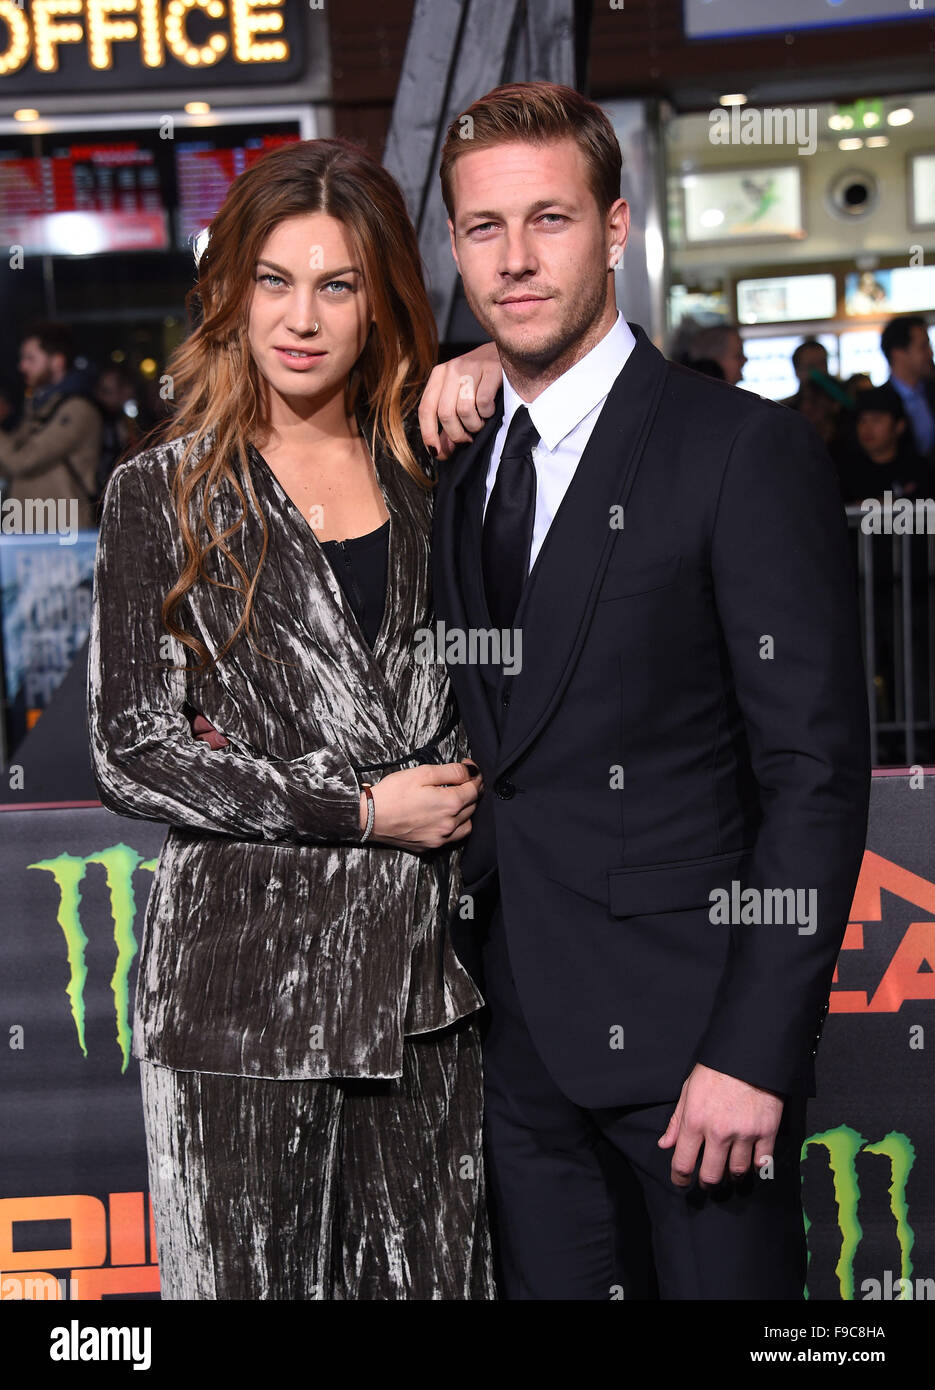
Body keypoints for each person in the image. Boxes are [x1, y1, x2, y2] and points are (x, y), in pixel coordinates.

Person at [419, 81, 871, 1300]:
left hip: (694, 1058)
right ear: (454, 245)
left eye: (549, 220)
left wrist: (753, 1050)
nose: (514, 260)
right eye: (482, 228)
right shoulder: (460, 472)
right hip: (510, 1055)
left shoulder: (734, 448)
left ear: (615, 229)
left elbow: (812, 774)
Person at [87, 137, 496, 1301]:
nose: (300, 317)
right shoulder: (159, 492)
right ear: (233, 292)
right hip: (237, 990)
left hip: (424, 986)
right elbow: (132, 748)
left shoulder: (435, 467)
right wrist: (360, 809)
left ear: (380, 304)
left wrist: (474, 376)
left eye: (336, 284)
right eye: (273, 279)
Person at [0, 322, 102, 529]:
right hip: (31, 530)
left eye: (30, 358)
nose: (22, 366)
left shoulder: (77, 409)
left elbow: (23, 460)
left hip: (63, 538)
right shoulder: (40, 406)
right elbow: (8, 461)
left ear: (57, 361)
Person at [832, 385, 933, 504]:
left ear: (899, 426)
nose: (867, 428)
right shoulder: (842, 472)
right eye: (862, 420)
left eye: (876, 420)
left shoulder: (919, 470)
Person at [882, 315, 935, 469]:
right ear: (898, 353)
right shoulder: (878, 402)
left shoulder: (931, 391)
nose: (930, 354)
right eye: (923, 346)